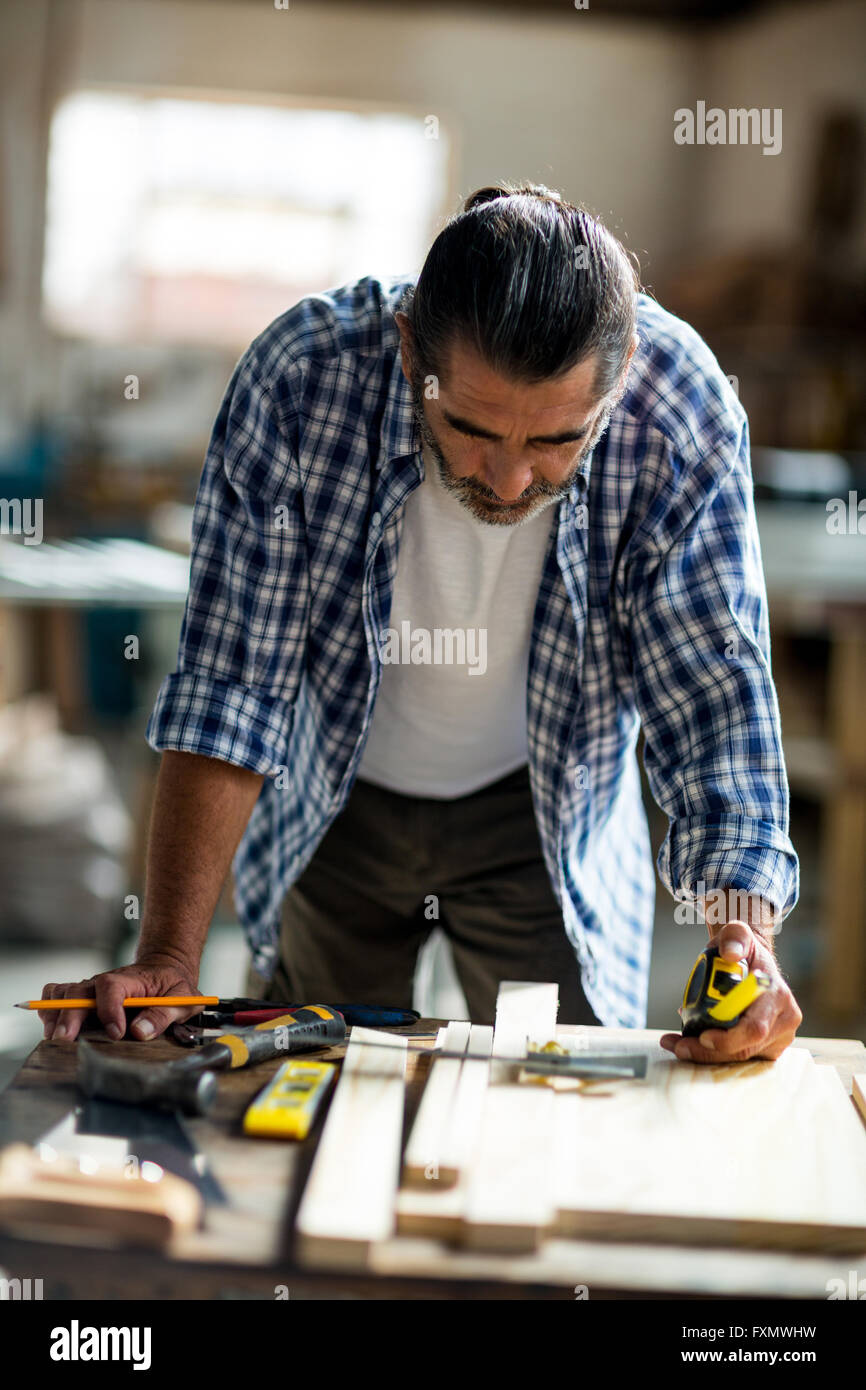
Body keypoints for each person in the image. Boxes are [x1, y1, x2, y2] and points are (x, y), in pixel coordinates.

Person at [40, 183, 802, 1064]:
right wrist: (169, 957)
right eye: (473, 429)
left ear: (622, 368)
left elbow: (711, 694)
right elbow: (232, 688)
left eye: (556, 441)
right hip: (336, 806)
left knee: (561, 1105)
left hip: (550, 821)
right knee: (311, 1085)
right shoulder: (301, 378)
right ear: (410, 352)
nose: (512, 482)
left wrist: (744, 937)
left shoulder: (681, 409)